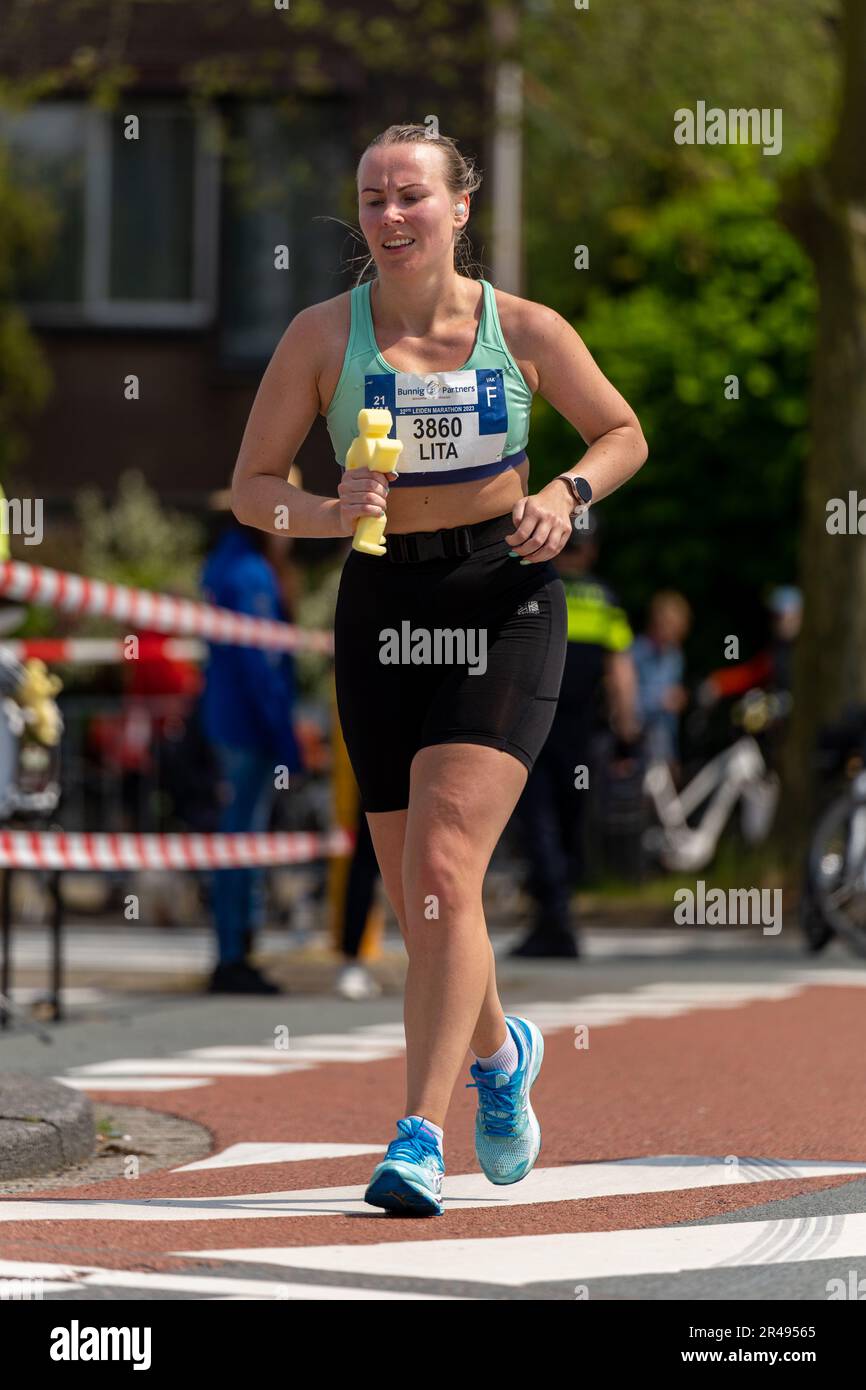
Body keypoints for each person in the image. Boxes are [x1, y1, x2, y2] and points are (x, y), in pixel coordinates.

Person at [230, 124, 647, 1214]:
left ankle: (418, 1134)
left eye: (410, 195)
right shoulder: (323, 337)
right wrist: (324, 512)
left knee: (445, 866)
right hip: (378, 600)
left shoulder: (523, 328)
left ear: (459, 209)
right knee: (425, 902)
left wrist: (564, 495)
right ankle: (505, 1054)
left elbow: (620, 431)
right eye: (371, 199)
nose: (390, 216)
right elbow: (249, 488)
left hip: (499, 596)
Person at [510, 512, 641, 958]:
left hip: (529, 725)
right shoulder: (605, 599)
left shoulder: (531, 587)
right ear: (593, 548)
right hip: (580, 732)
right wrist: (627, 734)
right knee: (569, 817)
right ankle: (559, 912)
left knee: (537, 818)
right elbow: (622, 675)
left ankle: (552, 917)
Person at [200, 500, 304, 995]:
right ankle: (234, 953)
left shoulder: (228, 564)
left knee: (239, 838)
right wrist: (286, 738)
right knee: (244, 841)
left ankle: (234, 949)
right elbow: (260, 668)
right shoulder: (250, 574)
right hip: (249, 728)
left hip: (233, 723)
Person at [631, 590, 691, 768]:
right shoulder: (637, 652)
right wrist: (660, 701)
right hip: (639, 745)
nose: (671, 632)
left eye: (676, 627)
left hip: (664, 745)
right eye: (667, 624)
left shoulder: (675, 656)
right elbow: (628, 700)